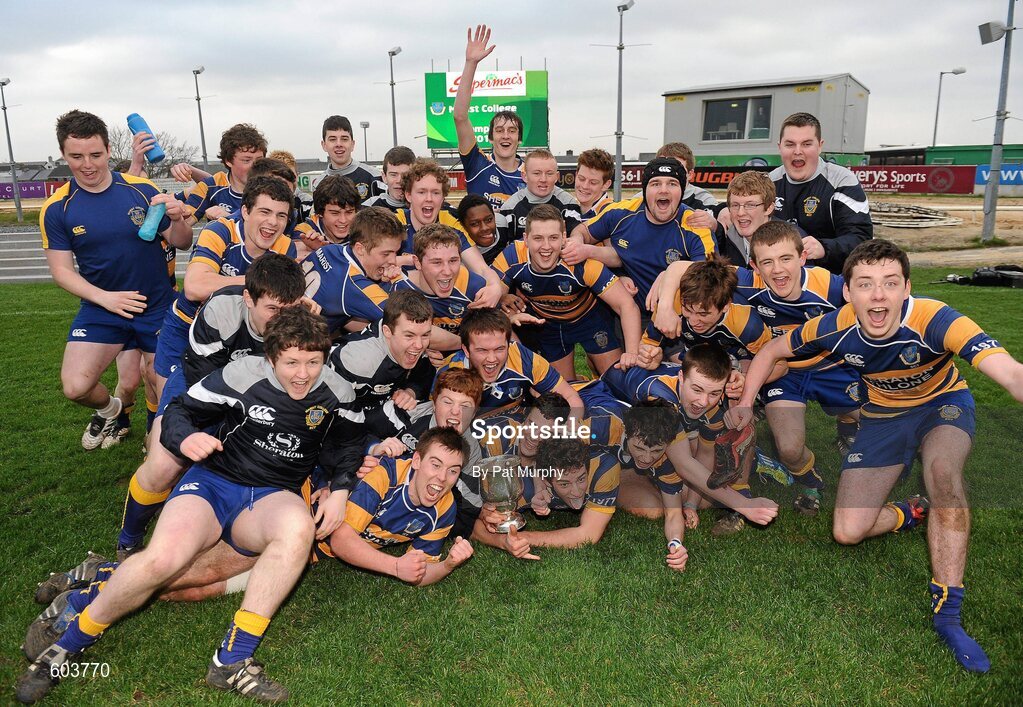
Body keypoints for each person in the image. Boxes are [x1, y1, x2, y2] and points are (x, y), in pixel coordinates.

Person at [17, 307, 360, 703]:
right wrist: (184, 440)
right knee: (164, 562)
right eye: (292, 362)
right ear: (271, 357)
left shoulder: (336, 390)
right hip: (214, 484)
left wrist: (340, 489)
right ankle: (67, 644)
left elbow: (347, 443)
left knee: (297, 531)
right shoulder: (242, 374)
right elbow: (181, 409)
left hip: (270, 497)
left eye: (313, 362)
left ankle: (231, 660)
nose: (303, 373)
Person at [729, 239, 1023, 673]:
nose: (878, 295)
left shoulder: (936, 319)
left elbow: (1009, 371)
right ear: (847, 293)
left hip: (944, 405)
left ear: (907, 288)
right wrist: (744, 400)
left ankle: (948, 613)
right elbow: (773, 350)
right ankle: (911, 513)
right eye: (865, 284)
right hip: (883, 417)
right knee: (848, 530)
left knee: (943, 474)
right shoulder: (835, 326)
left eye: (890, 283)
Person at [111, 253, 309, 560]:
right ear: (248, 298)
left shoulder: (303, 320)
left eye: (290, 309)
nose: (282, 320)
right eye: (272, 309)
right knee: (165, 463)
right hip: (201, 382)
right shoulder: (221, 310)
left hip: (255, 393)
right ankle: (129, 541)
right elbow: (203, 386)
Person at [39, 110, 192, 449]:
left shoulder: (140, 189)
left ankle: (156, 442)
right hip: (102, 307)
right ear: (64, 155)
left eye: (95, 154)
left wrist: (178, 218)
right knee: (76, 387)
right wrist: (106, 298)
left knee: (160, 380)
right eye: (76, 156)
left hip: (156, 306)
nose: (87, 164)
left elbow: (182, 241)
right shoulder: (56, 207)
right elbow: (62, 272)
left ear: (109, 150)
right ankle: (113, 410)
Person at [152, 175, 297, 401]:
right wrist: (258, 280)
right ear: (246, 211)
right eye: (265, 212)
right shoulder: (220, 230)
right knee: (171, 407)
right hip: (185, 326)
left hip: (235, 337)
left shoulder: (286, 246)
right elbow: (194, 287)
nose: (273, 223)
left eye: (281, 216)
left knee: (224, 409)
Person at [604, 346, 766, 539]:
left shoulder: (711, 405)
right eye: (697, 390)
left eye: (714, 393)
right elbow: (684, 464)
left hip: (650, 439)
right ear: (681, 378)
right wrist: (744, 505)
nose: (703, 402)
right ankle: (630, 474)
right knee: (651, 508)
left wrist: (691, 504)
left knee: (701, 498)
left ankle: (755, 459)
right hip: (614, 422)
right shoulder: (658, 397)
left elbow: (704, 455)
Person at [491, 204, 642, 379]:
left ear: (564, 238)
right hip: (548, 324)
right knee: (564, 393)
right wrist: (505, 308)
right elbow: (487, 303)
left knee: (618, 380)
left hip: (589, 319)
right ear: (525, 239)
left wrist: (632, 353)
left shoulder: (578, 259)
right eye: (538, 238)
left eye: (553, 238)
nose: (546, 246)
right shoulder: (511, 257)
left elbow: (627, 305)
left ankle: (596, 372)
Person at [327, 427, 475, 585]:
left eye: (453, 471)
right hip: (313, 518)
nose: (442, 477)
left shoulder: (445, 507)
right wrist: (395, 566)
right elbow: (340, 540)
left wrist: (447, 565)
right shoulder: (385, 474)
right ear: (417, 460)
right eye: (436, 465)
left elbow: (418, 572)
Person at [564, 157, 714, 310]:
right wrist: (576, 241)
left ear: (682, 191)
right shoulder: (621, 212)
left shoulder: (696, 225)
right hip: (631, 311)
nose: (664, 190)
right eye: (655, 184)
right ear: (644, 190)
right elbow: (584, 230)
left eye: (672, 184)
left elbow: (710, 277)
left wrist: (670, 277)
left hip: (682, 315)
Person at [473, 438, 620, 560]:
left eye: (581, 479)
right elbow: (475, 528)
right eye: (564, 483)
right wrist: (503, 542)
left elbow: (588, 535)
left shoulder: (603, 468)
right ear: (546, 480)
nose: (576, 492)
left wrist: (525, 537)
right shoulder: (523, 488)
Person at [393, 159, 503, 306]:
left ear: (443, 198)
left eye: (436, 193)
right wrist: (409, 260)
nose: (429, 199)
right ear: (408, 195)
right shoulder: (395, 223)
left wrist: (495, 287)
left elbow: (481, 268)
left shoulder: (451, 223)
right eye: (421, 192)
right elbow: (373, 264)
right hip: (404, 303)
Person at [771, 112, 872, 273]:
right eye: (790, 144)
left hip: (831, 282)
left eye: (806, 144)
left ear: (820, 145)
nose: (797, 151)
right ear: (779, 147)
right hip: (782, 279)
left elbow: (862, 240)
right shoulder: (770, 182)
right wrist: (725, 210)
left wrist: (824, 248)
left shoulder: (842, 180)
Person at [440, 308, 584, 416]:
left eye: (499, 349)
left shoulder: (524, 359)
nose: (492, 359)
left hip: (519, 429)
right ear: (466, 350)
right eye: (482, 350)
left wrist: (568, 431)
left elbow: (570, 397)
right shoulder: (449, 374)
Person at [454, 24, 525, 207]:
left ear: (519, 139)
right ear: (491, 138)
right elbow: (460, 116)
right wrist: (471, 63)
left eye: (512, 131)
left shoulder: (531, 173)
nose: (506, 135)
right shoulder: (478, 164)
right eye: (499, 130)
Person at [302, 206, 400, 332]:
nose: (393, 261)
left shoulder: (330, 249)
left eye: (396, 253)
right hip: (298, 345)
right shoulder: (354, 285)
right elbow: (404, 323)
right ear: (360, 249)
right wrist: (396, 282)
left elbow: (346, 317)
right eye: (386, 254)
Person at [392, 224, 487, 347]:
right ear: (417, 263)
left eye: (453, 261)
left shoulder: (474, 287)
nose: (447, 271)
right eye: (437, 262)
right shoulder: (397, 287)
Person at [174, 123, 268, 223]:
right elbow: (184, 223)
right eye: (246, 160)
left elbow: (274, 228)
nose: (254, 166)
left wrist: (230, 218)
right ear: (228, 161)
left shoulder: (273, 187)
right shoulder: (211, 186)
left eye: (259, 160)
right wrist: (175, 213)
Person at [498, 148, 583, 244]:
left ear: (557, 176)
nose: (543, 179)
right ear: (524, 176)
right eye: (537, 173)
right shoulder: (510, 207)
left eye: (549, 173)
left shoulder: (568, 203)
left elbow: (577, 235)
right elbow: (503, 249)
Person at [293, 174, 362, 255]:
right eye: (335, 213)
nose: (343, 220)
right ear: (320, 213)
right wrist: (310, 251)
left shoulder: (365, 232)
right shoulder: (306, 232)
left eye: (349, 212)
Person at [320, 115, 383, 200]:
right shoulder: (319, 183)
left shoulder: (374, 178)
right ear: (324, 145)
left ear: (352, 144)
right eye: (332, 139)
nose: (339, 144)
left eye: (344, 139)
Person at [362, 145, 416, 212]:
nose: (399, 180)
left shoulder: (423, 206)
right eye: (393, 175)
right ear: (384, 177)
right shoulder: (369, 207)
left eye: (405, 175)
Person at [456, 193, 501, 263]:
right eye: (475, 224)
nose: (484, 228)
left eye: (489, 220)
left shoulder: (504, 226)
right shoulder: (458, 253)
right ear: (463, 226)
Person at [574, 148, 615, 219]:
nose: (585, 186)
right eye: (581, 179)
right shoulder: (567, 211)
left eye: (593, 182)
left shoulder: (613, 218)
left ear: (606, 185)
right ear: (576, 175)